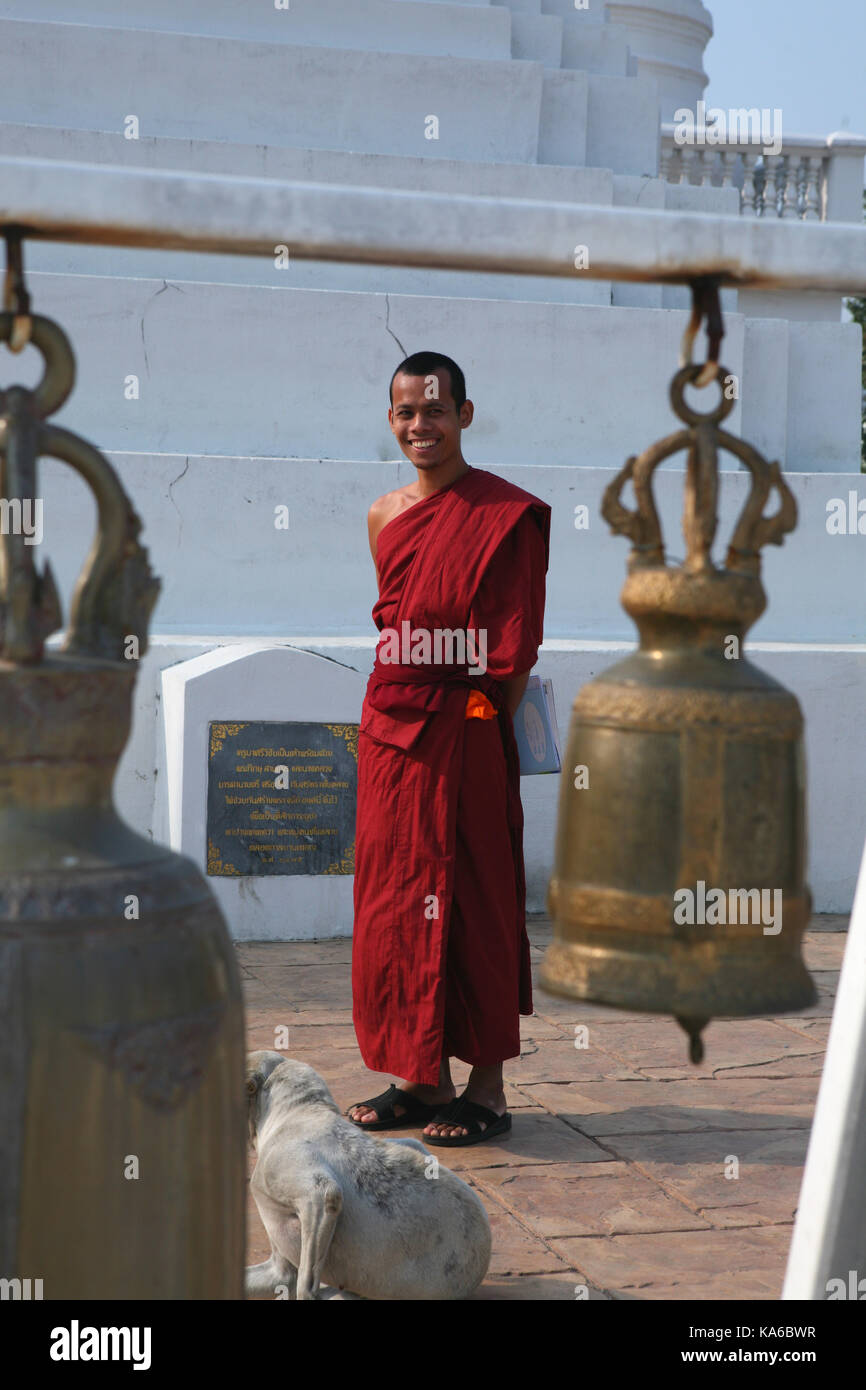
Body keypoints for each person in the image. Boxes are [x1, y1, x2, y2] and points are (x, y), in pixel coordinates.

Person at [348, 351, 550, 1145]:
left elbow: (513, 651)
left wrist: (469, 721)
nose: (420, 426)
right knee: (394, 900)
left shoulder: (507, 514)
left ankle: (487, 1088)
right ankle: (419, 1079)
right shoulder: (383, 514)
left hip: (463, 731)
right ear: (391, 419)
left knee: (476, 898)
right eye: (405, 412)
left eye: (435, 410)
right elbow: (397, 621)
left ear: (465, 414)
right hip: (390, 735)